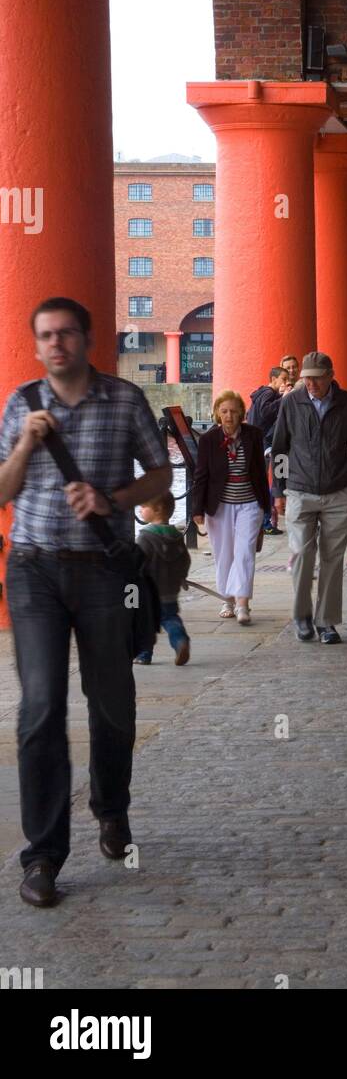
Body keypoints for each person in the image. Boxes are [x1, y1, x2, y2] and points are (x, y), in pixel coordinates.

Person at [0, 297, 171, 908]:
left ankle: (112, 808)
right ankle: (43, 855)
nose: (56, 344)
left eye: (67, 333)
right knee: (41, 706)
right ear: (37, 343)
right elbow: (2, 490)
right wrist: (24, 444)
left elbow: (161, 480)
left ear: (88, 338)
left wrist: (111, 499)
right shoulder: (21, 403)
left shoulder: (124, 399)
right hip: (34, 569)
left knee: (113, 700)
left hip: (105, 571)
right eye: (45, 335)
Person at [271, 351, 347, 645]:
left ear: (330, 376)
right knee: (301, 553)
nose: (310, 383)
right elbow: (280, 448)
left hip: (339, 491)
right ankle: (302, 615)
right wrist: (279, 489)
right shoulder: (291, 402)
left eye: (315, 378)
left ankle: (326, 621)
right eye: (306, 378)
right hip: (300, 490)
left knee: (331, 558)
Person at [190, 390, 270, 626]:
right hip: (220, 505)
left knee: (244, 552)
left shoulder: (254, 435)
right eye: (224, 411)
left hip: (249, 503)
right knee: (224, 554)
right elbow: (201, 475)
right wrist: (197, 509)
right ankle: (227, 599)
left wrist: (268, 503)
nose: (229, 416)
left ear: (242, 414)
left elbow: (259, 472)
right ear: (216, 413)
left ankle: (243, 604)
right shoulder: (208, 440)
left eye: (234, 411)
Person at [134, 492, 192, 667]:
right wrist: (182, 577)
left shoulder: (145, 537)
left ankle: (143, 655)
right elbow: (185, 560)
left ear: (156, 510)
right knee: (170, 618)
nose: (140, 509)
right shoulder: (176, 535)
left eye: (144, 507)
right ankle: (180, 641)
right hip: (170, 591)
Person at [248, 366, 290, 535]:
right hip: (264, 445)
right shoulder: (268, 393)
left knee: (262, 481)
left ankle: (264, 520)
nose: (285, 382)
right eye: (283, 379)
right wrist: (284, 398)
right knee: (266, 481)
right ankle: (265, 522)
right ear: (273, 379)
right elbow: (266, 413)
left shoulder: (261, 394)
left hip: (258, 444)